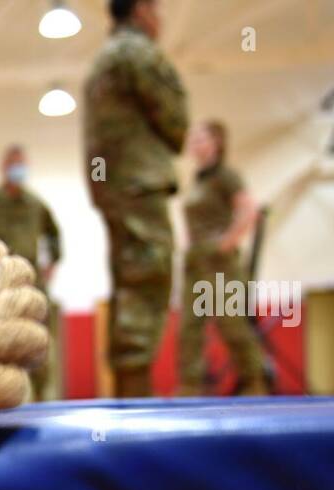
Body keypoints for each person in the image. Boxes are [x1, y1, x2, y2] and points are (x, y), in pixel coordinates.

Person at [83, 0, 188, 397]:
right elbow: (176, 124)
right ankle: (134, 397)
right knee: (147, 285)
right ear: (142, 10)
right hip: (139, 186)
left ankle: (128, 393)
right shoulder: (137, 53)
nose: (159, 18)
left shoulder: (102, 61)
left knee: (129, 285)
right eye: (156, 9)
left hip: (115, 189)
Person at [178, 120, 268, 395]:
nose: (195, 144)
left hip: (219, 261)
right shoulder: (197, 179)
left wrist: (226, 243)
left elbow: (249, 211)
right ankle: (191, 388)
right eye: (192, 139)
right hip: (195, 260)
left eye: (201, 138)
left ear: (217, 142)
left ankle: (254, 383)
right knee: (190, 327)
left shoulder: (226, 176)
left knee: (231, 324)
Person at [0, 145, 62, 399]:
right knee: (2, 347)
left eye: (21, 163)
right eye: (13, 163)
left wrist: (52, 262)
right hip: (1, 285)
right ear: (3, 167)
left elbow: (54, 235)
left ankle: (43, 401)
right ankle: (5, 400)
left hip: (33, 282)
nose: (18, 169)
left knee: (40, 346)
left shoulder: (36, 204)